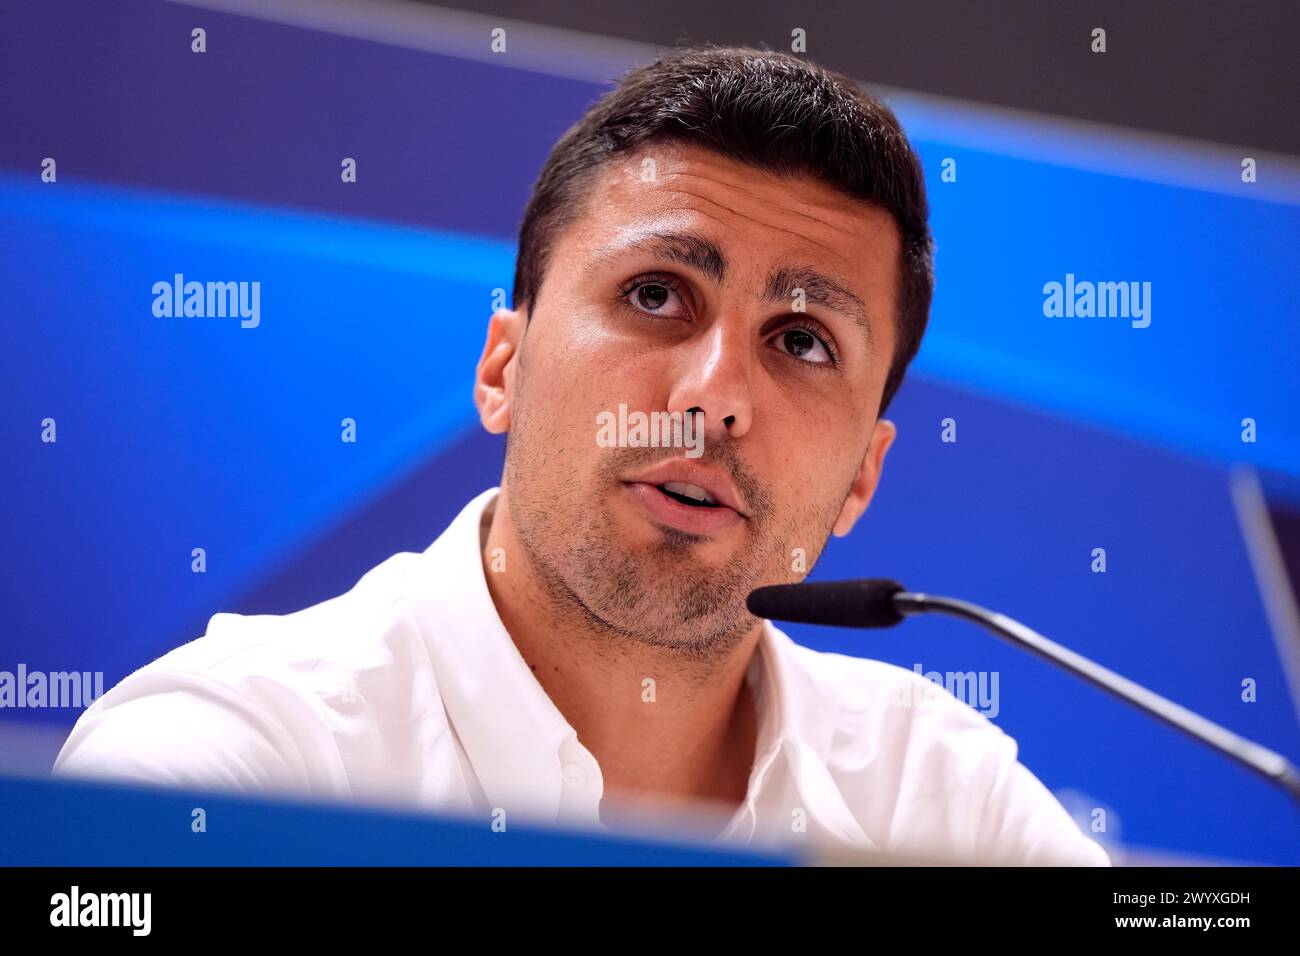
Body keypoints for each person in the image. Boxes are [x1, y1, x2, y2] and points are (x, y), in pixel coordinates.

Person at [54, 44, 1108, 865]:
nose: (714, 396)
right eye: (655, 294)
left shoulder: (947, 802)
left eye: (800, 339)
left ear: (862, 478)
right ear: (502, 366)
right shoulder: (228, 768)